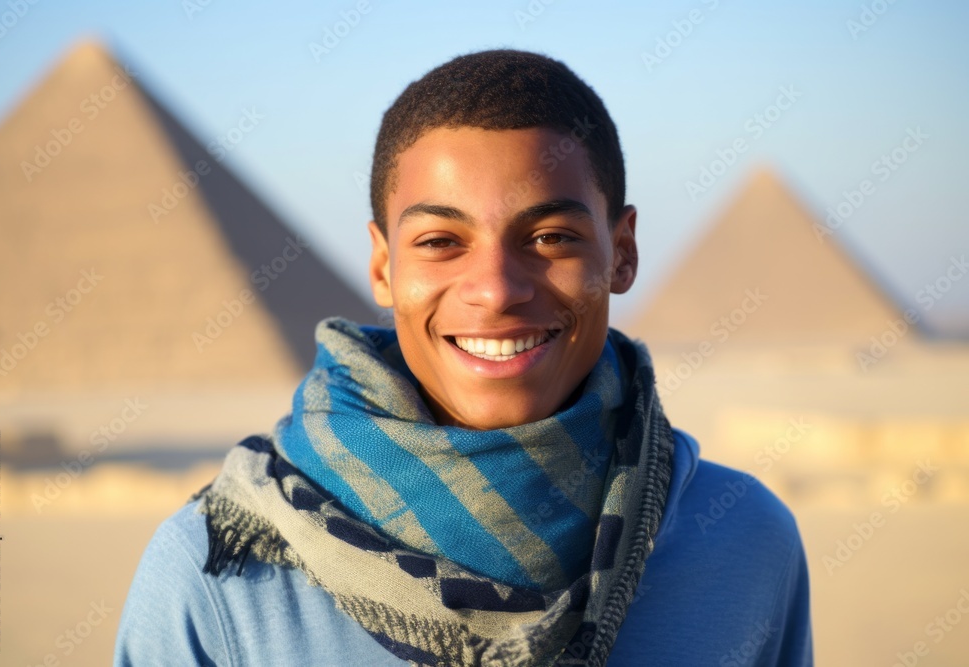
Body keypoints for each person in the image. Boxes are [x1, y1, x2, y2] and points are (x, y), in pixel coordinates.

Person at [114, 49, 812, 666]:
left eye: (550, 237)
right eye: (441, 241)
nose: (497, 290)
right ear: (384, 267)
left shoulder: (746, 544)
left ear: (621, 251)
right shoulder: (215, 574)